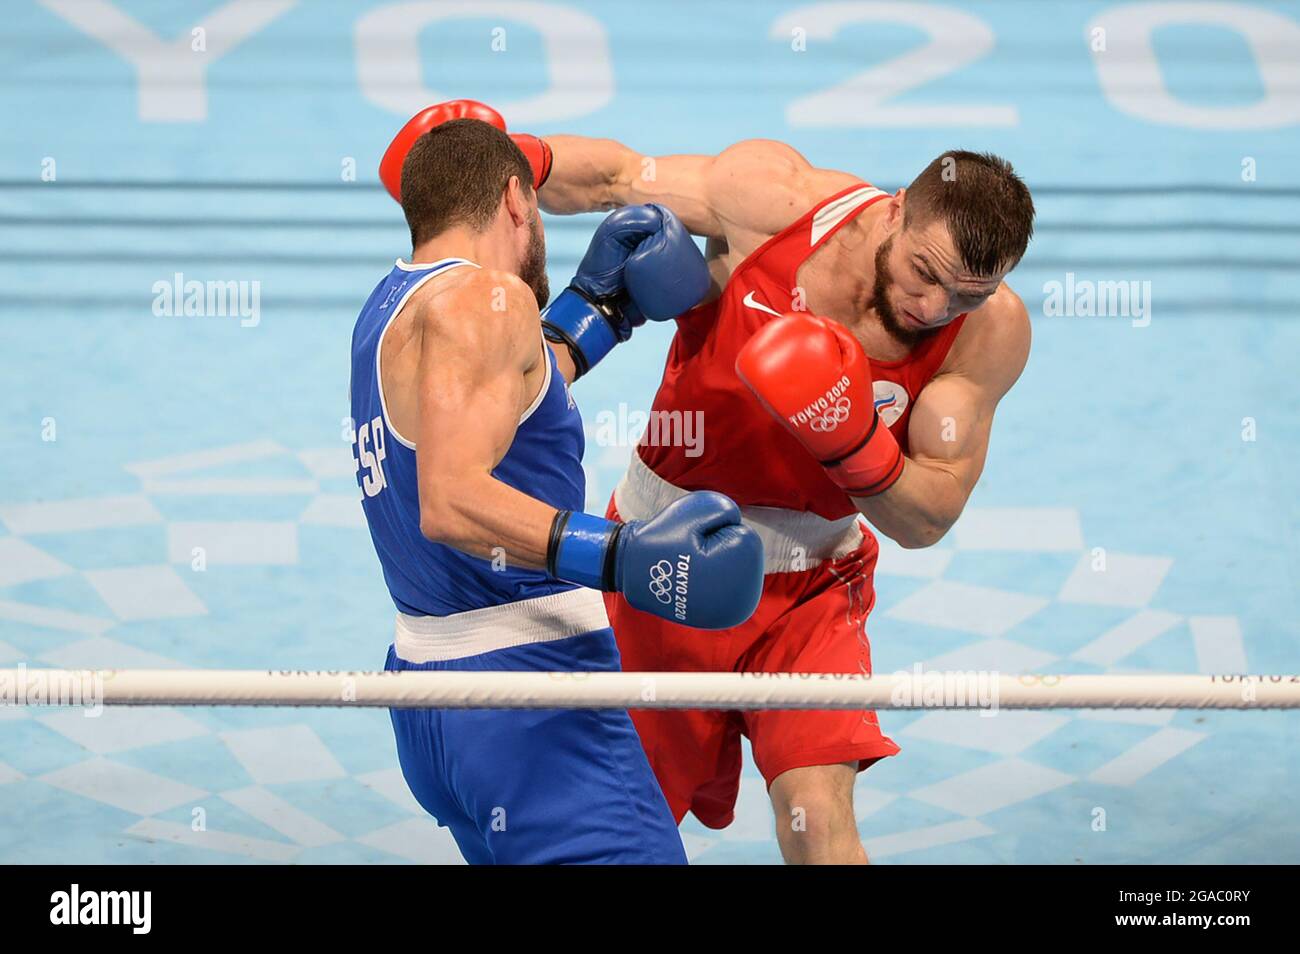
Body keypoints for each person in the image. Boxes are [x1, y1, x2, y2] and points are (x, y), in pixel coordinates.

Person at [382, 102, 1034, 864]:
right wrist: (501, 163)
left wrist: (853, 444)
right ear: (895, 211)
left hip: (813, 590)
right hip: (661, 568)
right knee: (617, 825)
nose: (935, 307)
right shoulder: (776, 201)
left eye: (968, 293)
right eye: (925, 273)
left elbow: (928, 516)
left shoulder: (991, 334)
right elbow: (618, 178)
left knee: (820, 821)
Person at [353, 115, 764, 864]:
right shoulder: (486, 301)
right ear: (517, 199)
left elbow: (494, 406)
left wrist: (599, 312)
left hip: (434, 695)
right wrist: (620, 555)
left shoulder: (391, 308)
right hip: (528, 697)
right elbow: (448, 497)